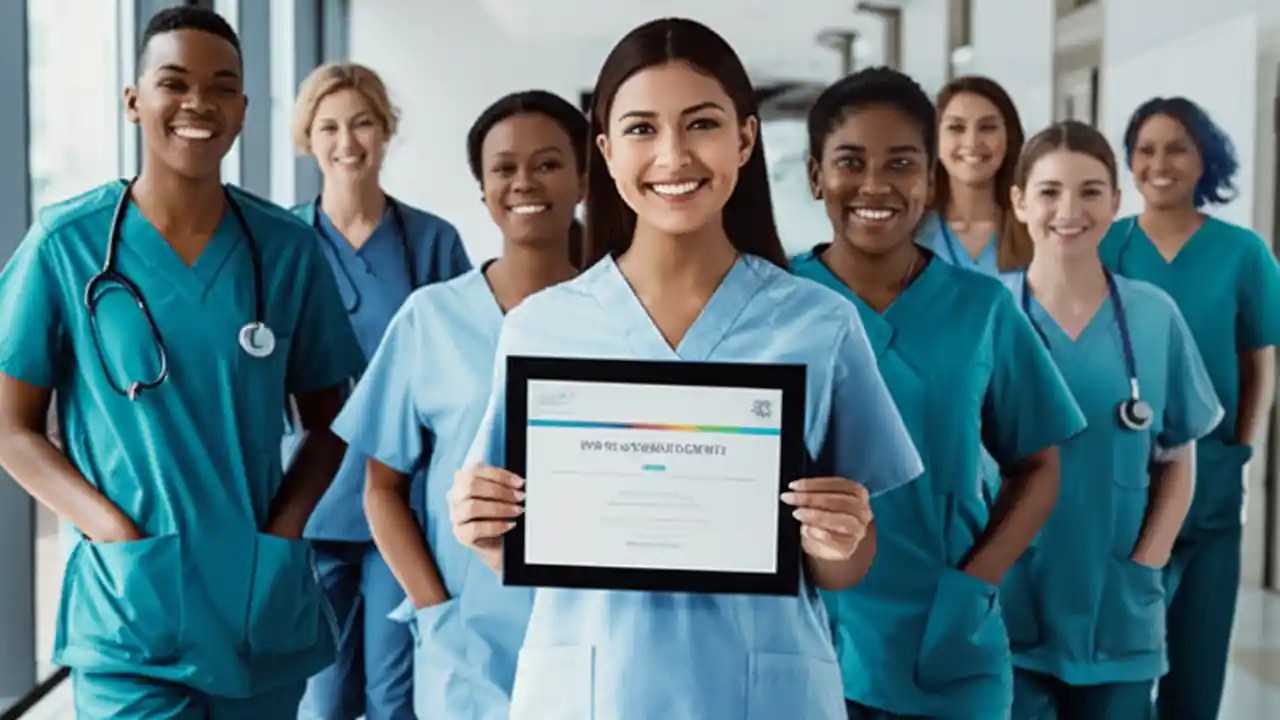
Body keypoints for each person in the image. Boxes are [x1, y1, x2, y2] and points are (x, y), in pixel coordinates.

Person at [448, 18, 925, 719]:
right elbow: (528, 550)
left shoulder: (817, 325)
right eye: (641, 129)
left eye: (701, 123)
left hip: (762, 692)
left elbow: (846, 565)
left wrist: (839, 538)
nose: (673, 154)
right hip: (591, 692)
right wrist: (483, 529)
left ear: (745, 139)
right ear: (605, 153)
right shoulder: (540, 330)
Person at [0, 7, 362, 718]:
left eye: (222, 86)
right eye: (174, 82)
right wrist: (109, 530)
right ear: (133, 101)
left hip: (257, 610)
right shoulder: (67, 246)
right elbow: (11, 426)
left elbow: (332, 421)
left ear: (244, 108)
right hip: (131, 612)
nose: (199, 102)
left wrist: (282, 533)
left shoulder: (285, 250)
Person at [790, 67, 1084, 720]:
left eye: (900, 163)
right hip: (803, 638)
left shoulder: (981, 309)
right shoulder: (775, 302)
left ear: (929, 179)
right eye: (849, 162)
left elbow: (1039, 464)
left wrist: (974, 582)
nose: (874, 185)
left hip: (947, 639)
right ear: (816, 176)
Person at [331, 89, 586, 719]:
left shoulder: (625, 315)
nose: (524, 181)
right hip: (466, 639)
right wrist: (432, 608)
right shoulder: (432, 318)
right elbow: (381, 489)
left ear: (585, 177)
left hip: (599, 630)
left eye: (549, 163)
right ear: (483, 189)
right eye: (504, 168)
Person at [1000, 119, 1223, 719]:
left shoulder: (1155, 316)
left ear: (1116, 203)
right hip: (1007, 608)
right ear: (1019, 202)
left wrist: (1148, 558)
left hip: (1119, 614)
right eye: (1048, 191)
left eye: (1090, 191)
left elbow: (1178, 457)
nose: (1068, 209)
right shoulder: (986, 316)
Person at [288, 61, 471, 720]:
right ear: (308, 137)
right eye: (330, 126)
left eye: (363, 122)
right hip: (311, 500)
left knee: (396, 697)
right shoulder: (285, 242)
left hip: (402, 497)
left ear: (386, 131)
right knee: (322, 697)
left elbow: (460, 365)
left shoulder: (432, 242)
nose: (347, 141)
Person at [1099, 97, 1280, 720]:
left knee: (1196, 676)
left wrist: (1241, 451)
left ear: (1205, 158)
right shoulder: (1105, 246)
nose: (1159, 163)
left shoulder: (1243, 253)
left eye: (1177, 147)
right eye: (1145, 149)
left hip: (1211, 487)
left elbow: (1260, 363)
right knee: (1118, 674)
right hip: (1121, 486)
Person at [916, 76, 1030, 279]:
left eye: (987, 127)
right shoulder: (911, 231)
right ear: (934, 139)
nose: (972, 142)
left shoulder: (1035, 228)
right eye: (956, 128)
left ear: (1009, 138)